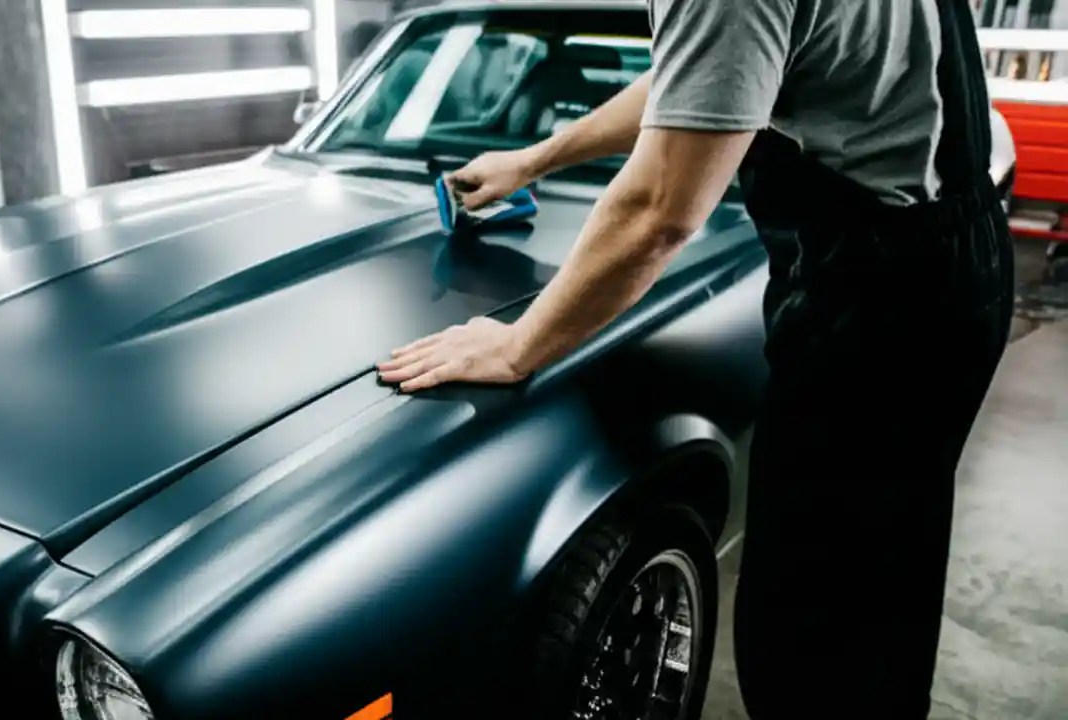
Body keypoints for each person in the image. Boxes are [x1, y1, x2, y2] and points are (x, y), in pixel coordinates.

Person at [377, 0, 1013, 717]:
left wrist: (519, 344)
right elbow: (710, 80)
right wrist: (536, 157)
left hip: (886, 299)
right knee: (884, 582)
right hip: (940, 259)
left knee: (811, 641)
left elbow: (659, 209)